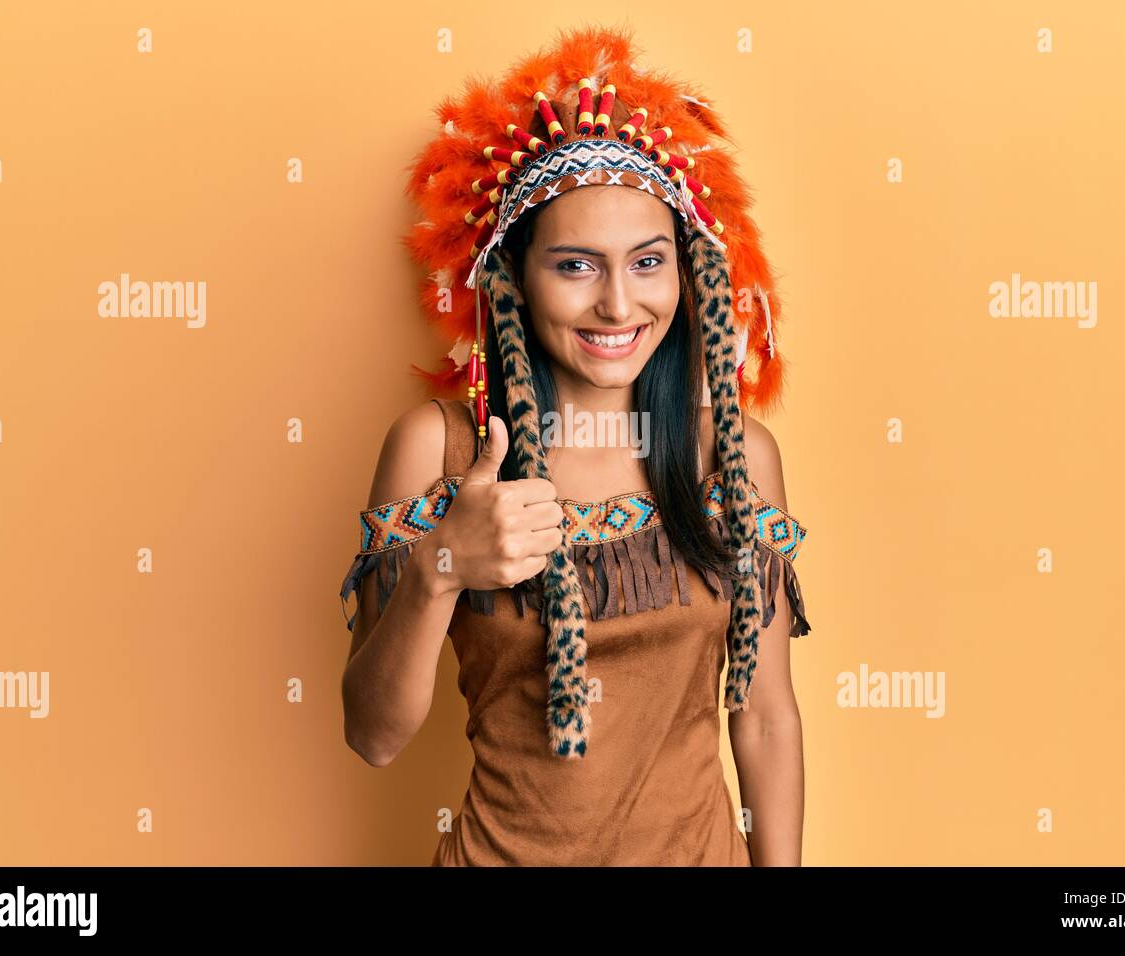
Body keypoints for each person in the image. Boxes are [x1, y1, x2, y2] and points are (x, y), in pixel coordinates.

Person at [338, 25, 812, 866]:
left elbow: (766, 714)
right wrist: (443, 562)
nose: (619, 306)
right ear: (514, 276)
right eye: (577, 266)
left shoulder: (733, 458)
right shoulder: (436, 452)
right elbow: (373, 736)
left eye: (647, 262)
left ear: (685, 273)